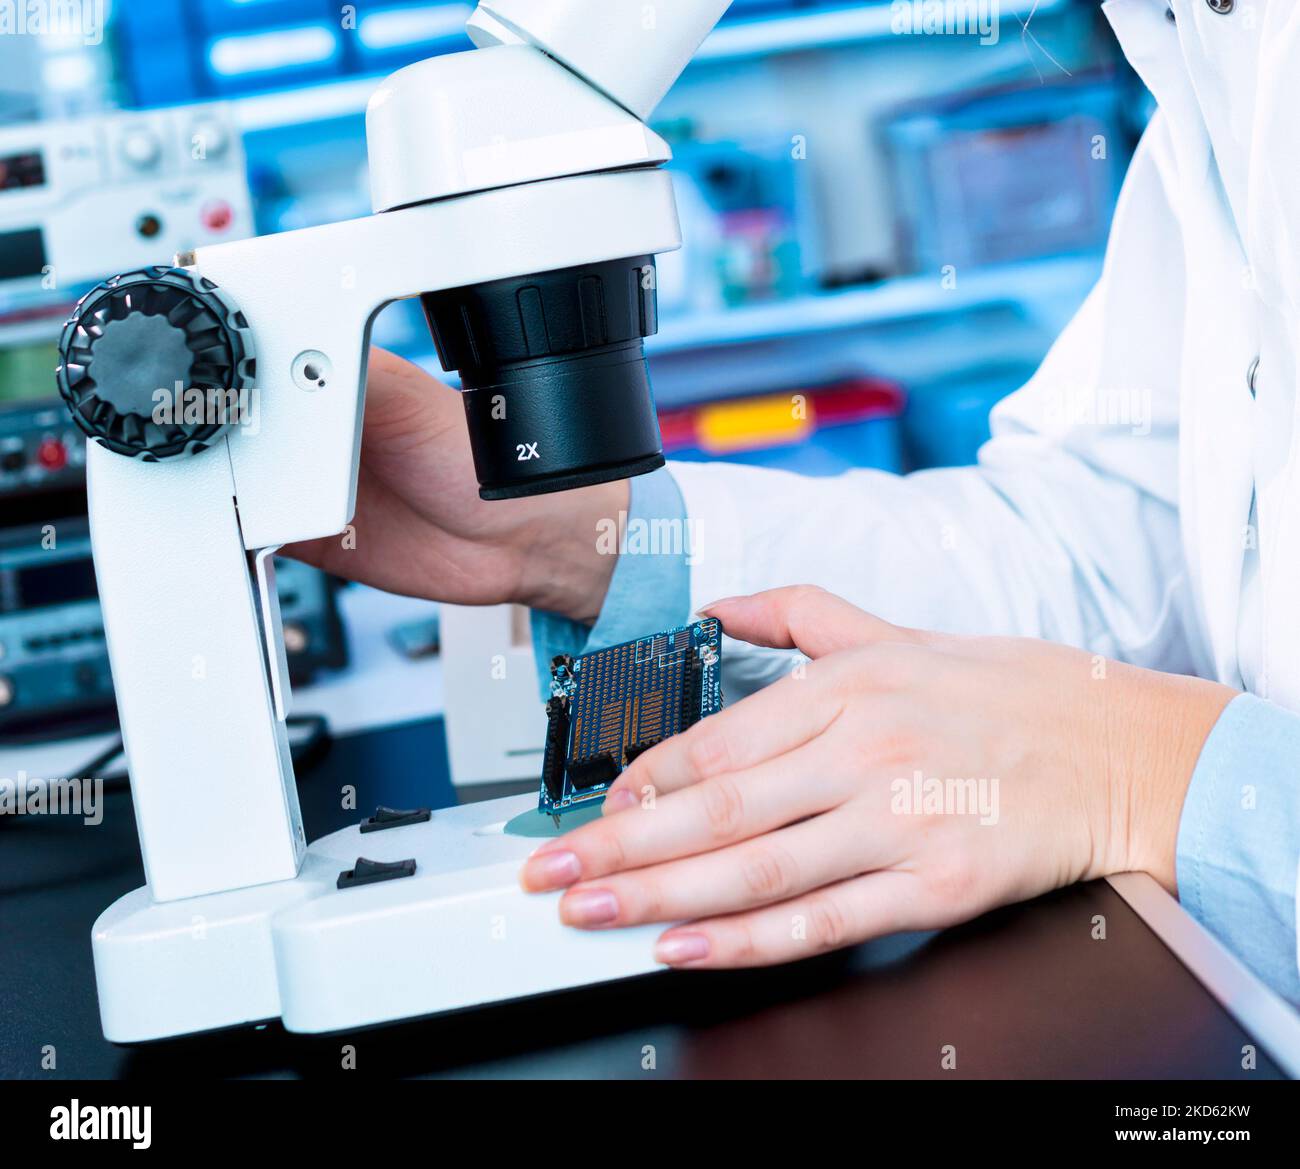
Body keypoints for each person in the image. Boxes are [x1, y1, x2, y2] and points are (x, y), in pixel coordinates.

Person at [292, 0, 1300, 1002]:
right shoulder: (1216, 47)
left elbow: (1116, 732)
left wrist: (1157, 771)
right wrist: (583, 537)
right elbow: (1110, 548)